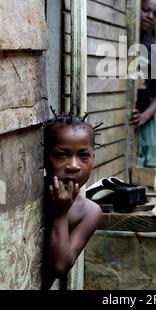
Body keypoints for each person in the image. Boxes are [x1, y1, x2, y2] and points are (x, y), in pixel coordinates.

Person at [42, 113, 102, 289]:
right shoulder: (27, 195)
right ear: (44, 157)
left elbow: (59, 267)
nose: (74, 165)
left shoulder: (89, 211)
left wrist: (60, 214)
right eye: (61, 155)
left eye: (84, 156)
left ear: (93, 159)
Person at [130, 0, 156, 168]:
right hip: (123, 118)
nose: (150, 16)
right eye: (146, 10)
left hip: (144, 119)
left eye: (155, 13)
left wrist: (144, 117)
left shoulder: (154, 51)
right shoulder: (123, 41)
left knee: (147, 167)